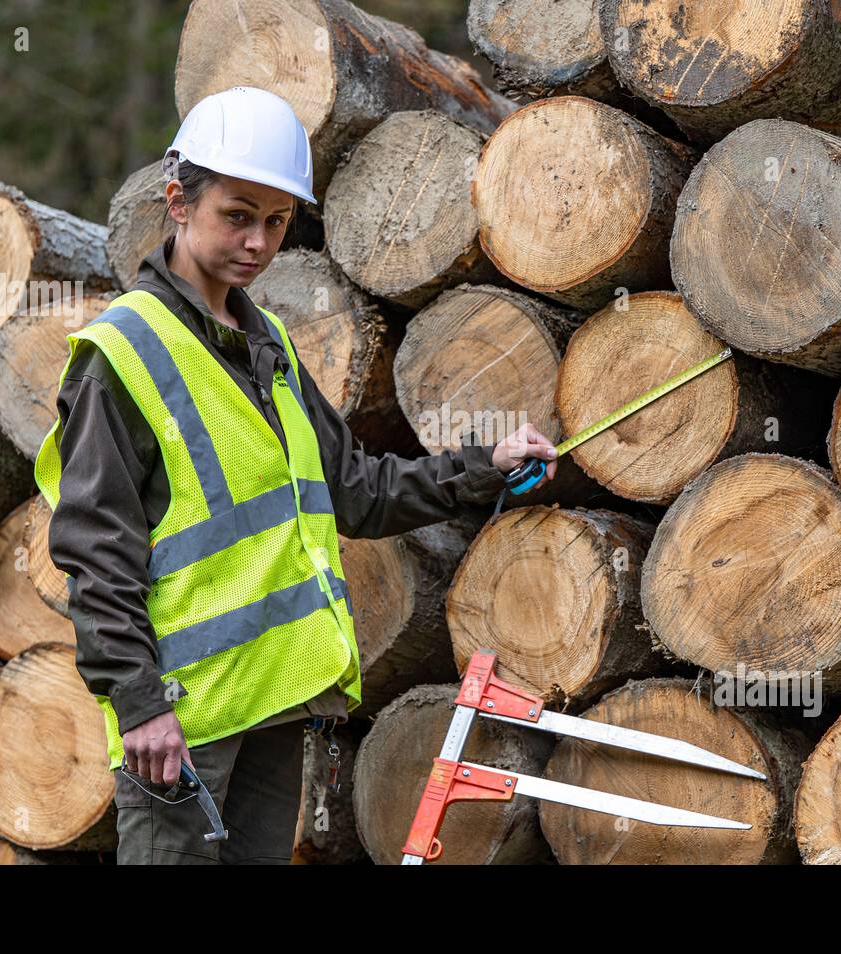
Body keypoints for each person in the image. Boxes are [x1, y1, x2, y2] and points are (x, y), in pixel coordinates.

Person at [33, 86, 559, 864]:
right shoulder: (122, 355)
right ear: (179, 201)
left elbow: (358, 491)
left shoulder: (266, 342)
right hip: (180, 727)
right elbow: (94, 551)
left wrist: (484, 466)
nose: (257, 242)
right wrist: (138, 703)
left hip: (275, 701)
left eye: (276, 222)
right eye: (237, 215)